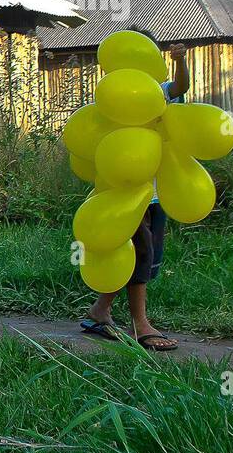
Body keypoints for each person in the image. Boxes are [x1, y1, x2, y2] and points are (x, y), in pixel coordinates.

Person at [80, 36, 188, 352]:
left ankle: (99, 310)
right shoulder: (114, 96)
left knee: (145, 256)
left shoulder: (160, 93)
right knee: (140, 252)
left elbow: (180, 87)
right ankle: (141, 324)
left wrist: (181, 61)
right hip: (124, 190)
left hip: (155, 191)